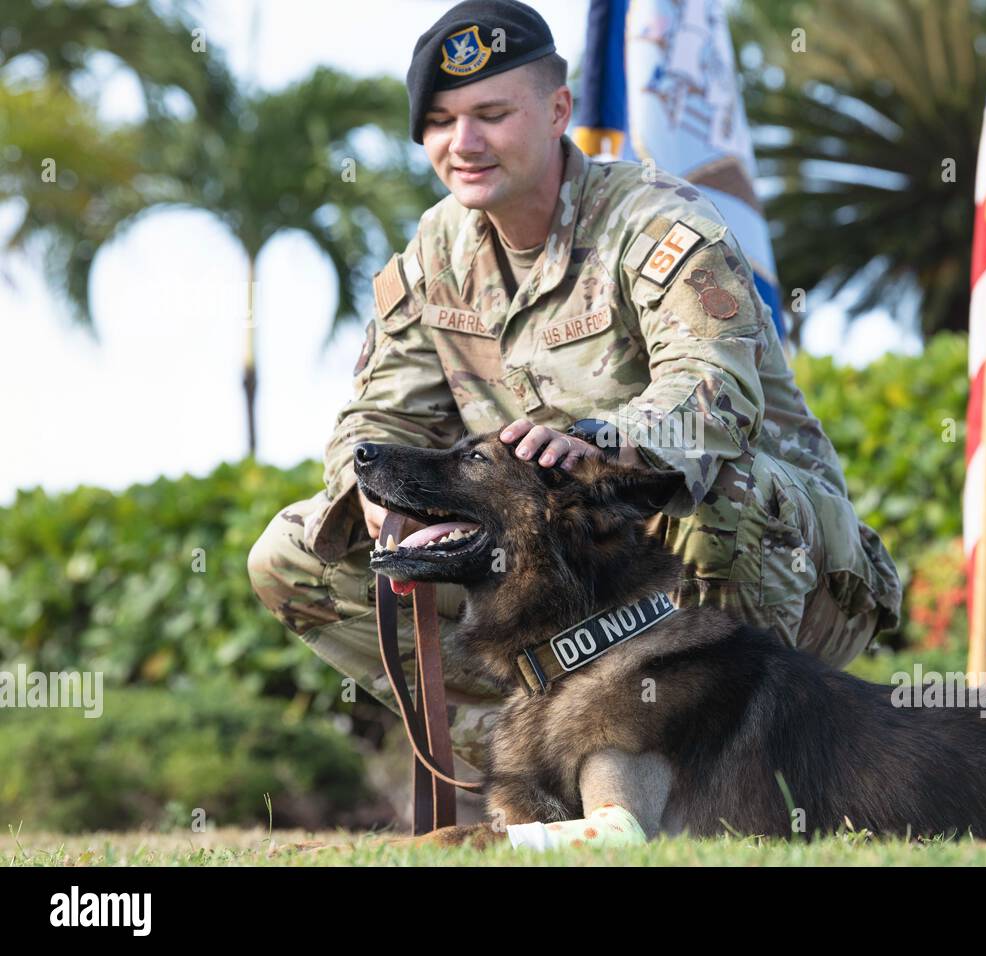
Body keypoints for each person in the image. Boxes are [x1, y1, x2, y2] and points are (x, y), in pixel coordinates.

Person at [247, 0, 902, 809]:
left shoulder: (657, 223)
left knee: (708, 502)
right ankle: (544, 776)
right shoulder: (433, 255)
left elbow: (713, 395)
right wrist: (380, 503)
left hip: (785, 565)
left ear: (559, 111)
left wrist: (604, 444)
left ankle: (733, 784)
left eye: (492, 113)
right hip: (571, 587)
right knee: (297, 552)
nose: (466, 143)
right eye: (443, 122)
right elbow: (377, 421)